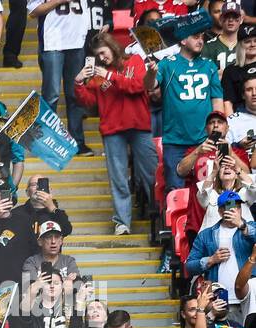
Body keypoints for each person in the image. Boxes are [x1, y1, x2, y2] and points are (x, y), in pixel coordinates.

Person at [75, 33, 156, 235]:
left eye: (103, 52)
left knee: (150, 174)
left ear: (111, 47)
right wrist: (78, 83)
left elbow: (138, 86)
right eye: (97, 55)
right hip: (112, 129)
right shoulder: (97, 74)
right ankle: (122, 222)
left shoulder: (134, 61)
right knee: (118, 177)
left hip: (138, 124)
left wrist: (110, 76)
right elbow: (89, 103)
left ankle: (160, 216)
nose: (101, 58)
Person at [148, 33, 225, 192]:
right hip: (175, 141)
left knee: (208, 191)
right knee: (176, 192)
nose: (200, 40)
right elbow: (150, 85)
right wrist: (151, 72)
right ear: (183, 40)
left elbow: (217, 99)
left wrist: (220, 131)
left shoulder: (209, 65)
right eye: (195, 37)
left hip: (205, 139)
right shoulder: (167, 64)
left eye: (202, 37)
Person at [27, 0, 92, 155]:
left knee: (75, 94)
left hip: (77, 40)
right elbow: (33, 11)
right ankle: (47, 143)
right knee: (51, 95)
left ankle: (77, 142)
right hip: (53, 41)